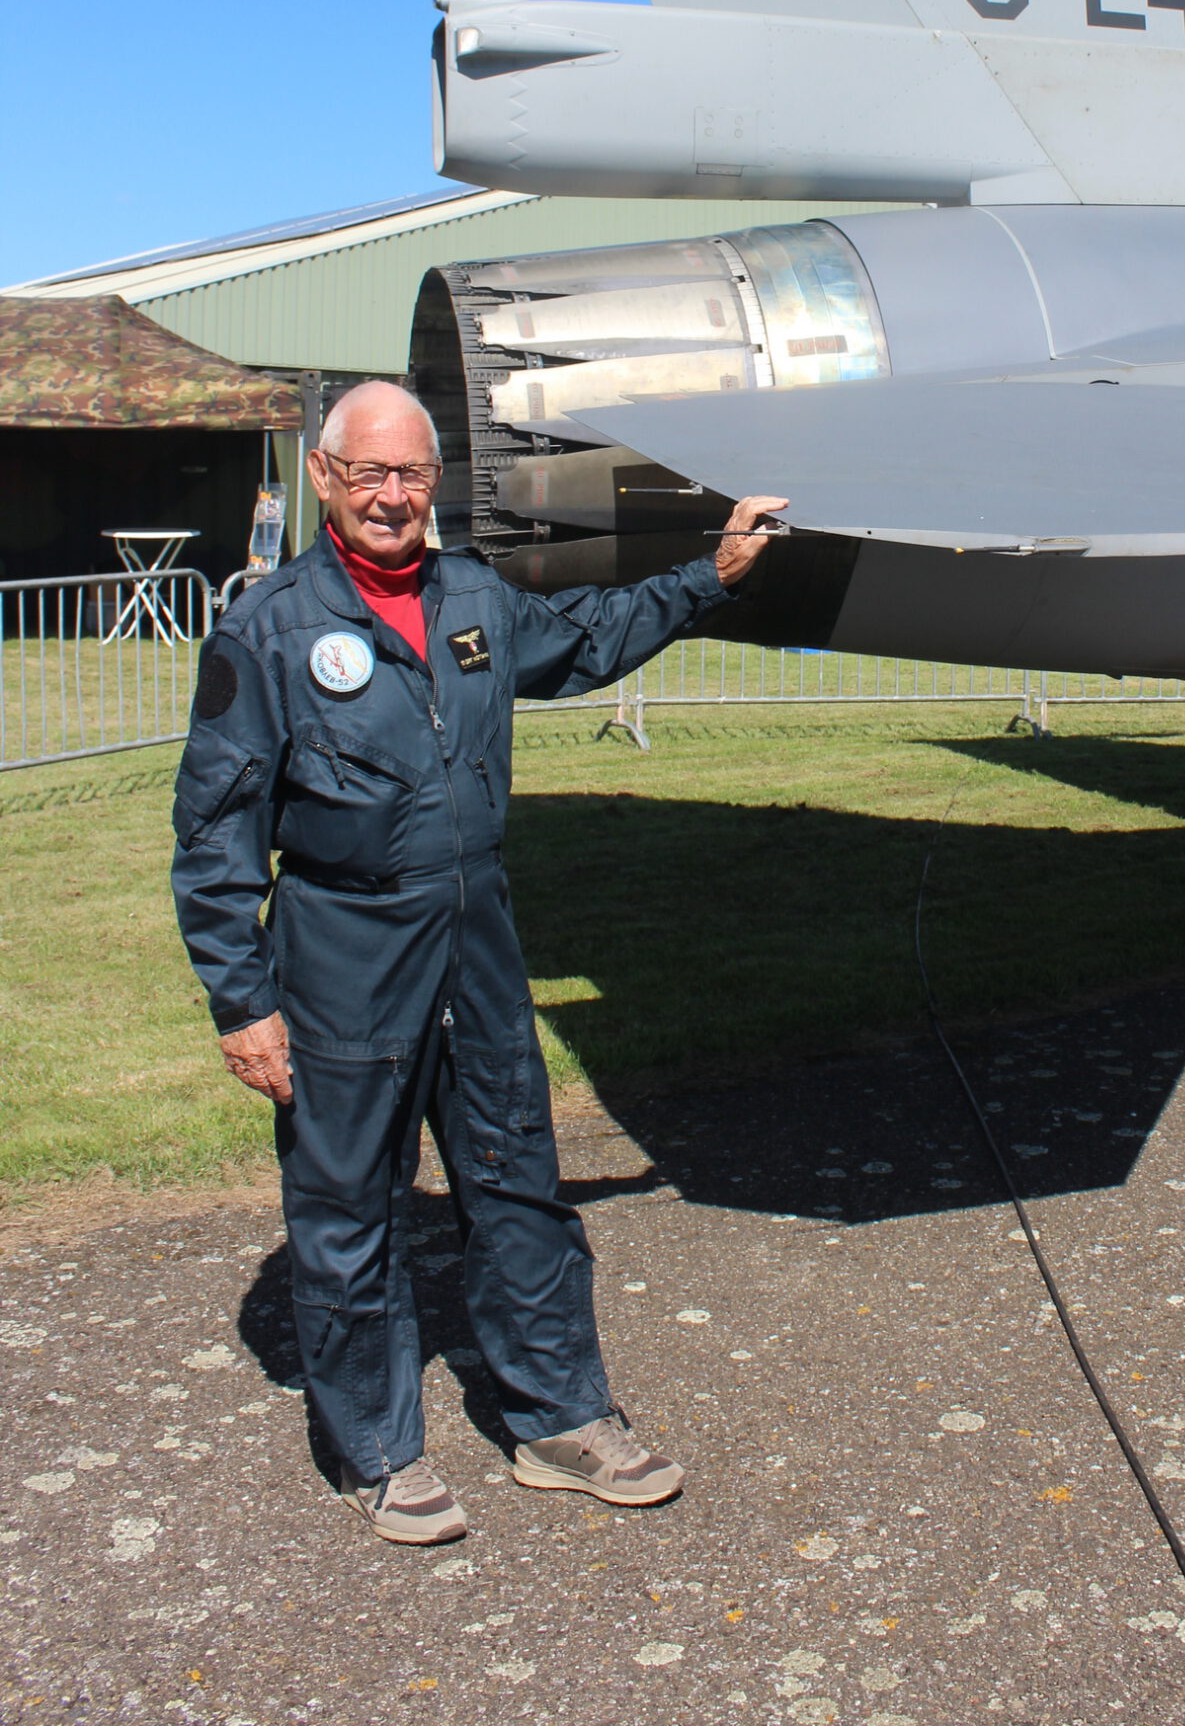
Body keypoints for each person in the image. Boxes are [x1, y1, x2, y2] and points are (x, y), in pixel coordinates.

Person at [170, 379, 784, 1547]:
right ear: (324, 479)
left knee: (517, 1183)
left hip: (478, 941)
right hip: (345, 953)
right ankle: (376, 1451)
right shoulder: (270, 628)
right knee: (350, 1208)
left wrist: (711, 575)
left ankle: (560, 1418)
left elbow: (588, 642)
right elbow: (215, 833)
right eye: (371, 475)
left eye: (414, 475)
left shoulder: (471, 596)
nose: (396, 497)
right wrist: (240, 999)